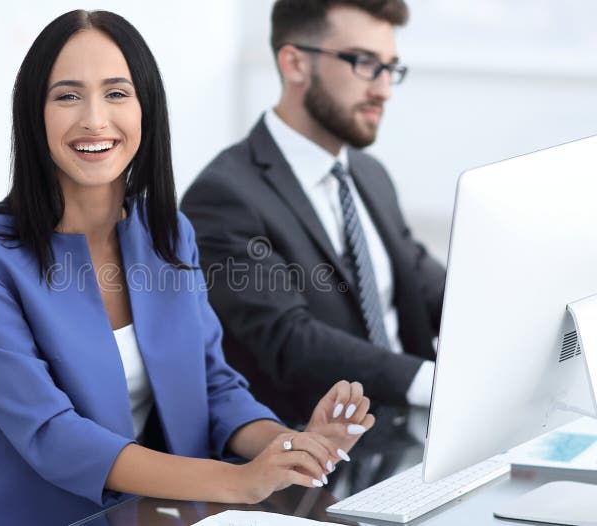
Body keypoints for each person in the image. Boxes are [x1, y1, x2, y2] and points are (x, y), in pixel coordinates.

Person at [0, 9, 374, 526]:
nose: (95, 119)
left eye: (117, 93)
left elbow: (213, 385)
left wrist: (291, 446)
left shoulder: (166, 232)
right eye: (68, 95)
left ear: (146, 110)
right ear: (34, 114)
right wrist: (236, 480)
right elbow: (51, 435)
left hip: (158, 515)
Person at [180, 0, 445, 491]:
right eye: (365, 63)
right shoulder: (224, 194)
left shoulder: (368, 175)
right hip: (307, 470)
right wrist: (432, 382)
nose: (383, 89)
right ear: (295, 62)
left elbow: (421, 279)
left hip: (410, 447)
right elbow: (288, 338)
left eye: (391, 68)